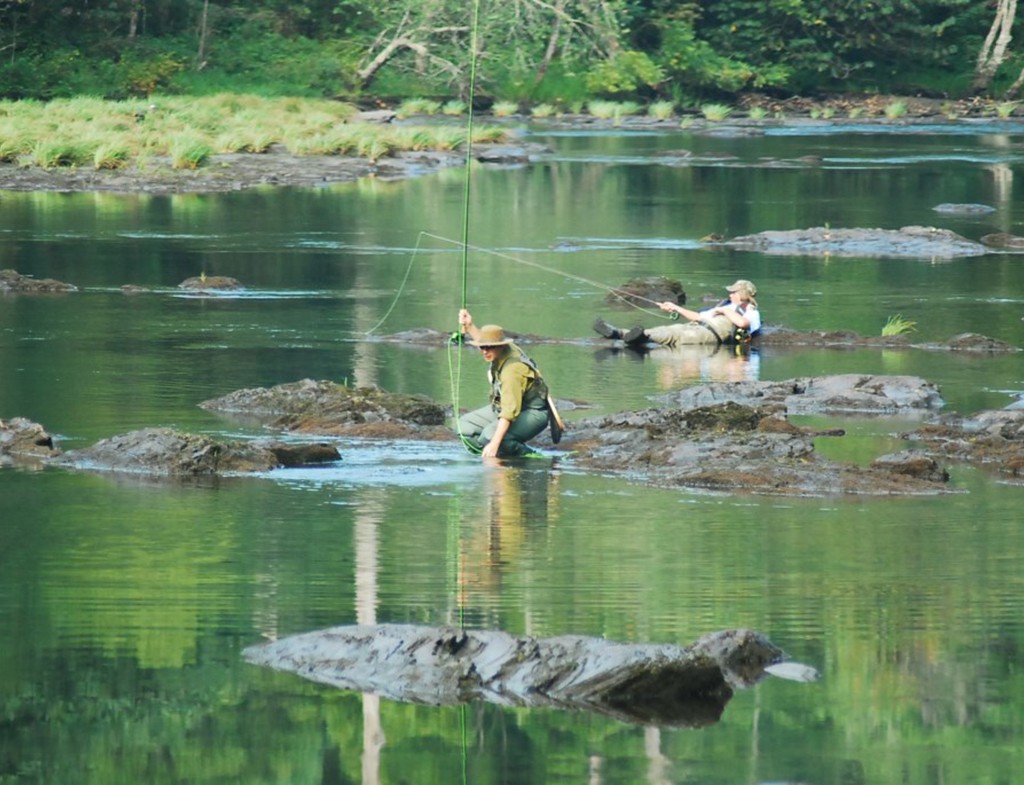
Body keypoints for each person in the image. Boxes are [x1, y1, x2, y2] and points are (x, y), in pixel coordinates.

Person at [456, 308, 554, 458]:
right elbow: (486, 341)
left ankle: (527, 456)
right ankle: (495, 455)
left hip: (532, 412)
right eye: (482, 347)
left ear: (500, 345)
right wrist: (469, 326)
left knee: (489, 437)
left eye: (490, 347)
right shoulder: (503, 348)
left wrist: (494, 444)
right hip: (502, 407)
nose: (484, 351)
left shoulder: (512, 371)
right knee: (464, 427)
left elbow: (509, 412)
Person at [593, 279, 761, 348]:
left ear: (743, 294)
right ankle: (618, 333)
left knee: (674, 335)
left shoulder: (751, 311)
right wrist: (676, 308)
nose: (730, 294)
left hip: (711, 334)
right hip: (698, 326)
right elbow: (698, 316)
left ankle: (639, 337)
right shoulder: (726, 304)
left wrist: (724, 311)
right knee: (672, 328)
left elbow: (743, 324)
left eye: (734, 292)